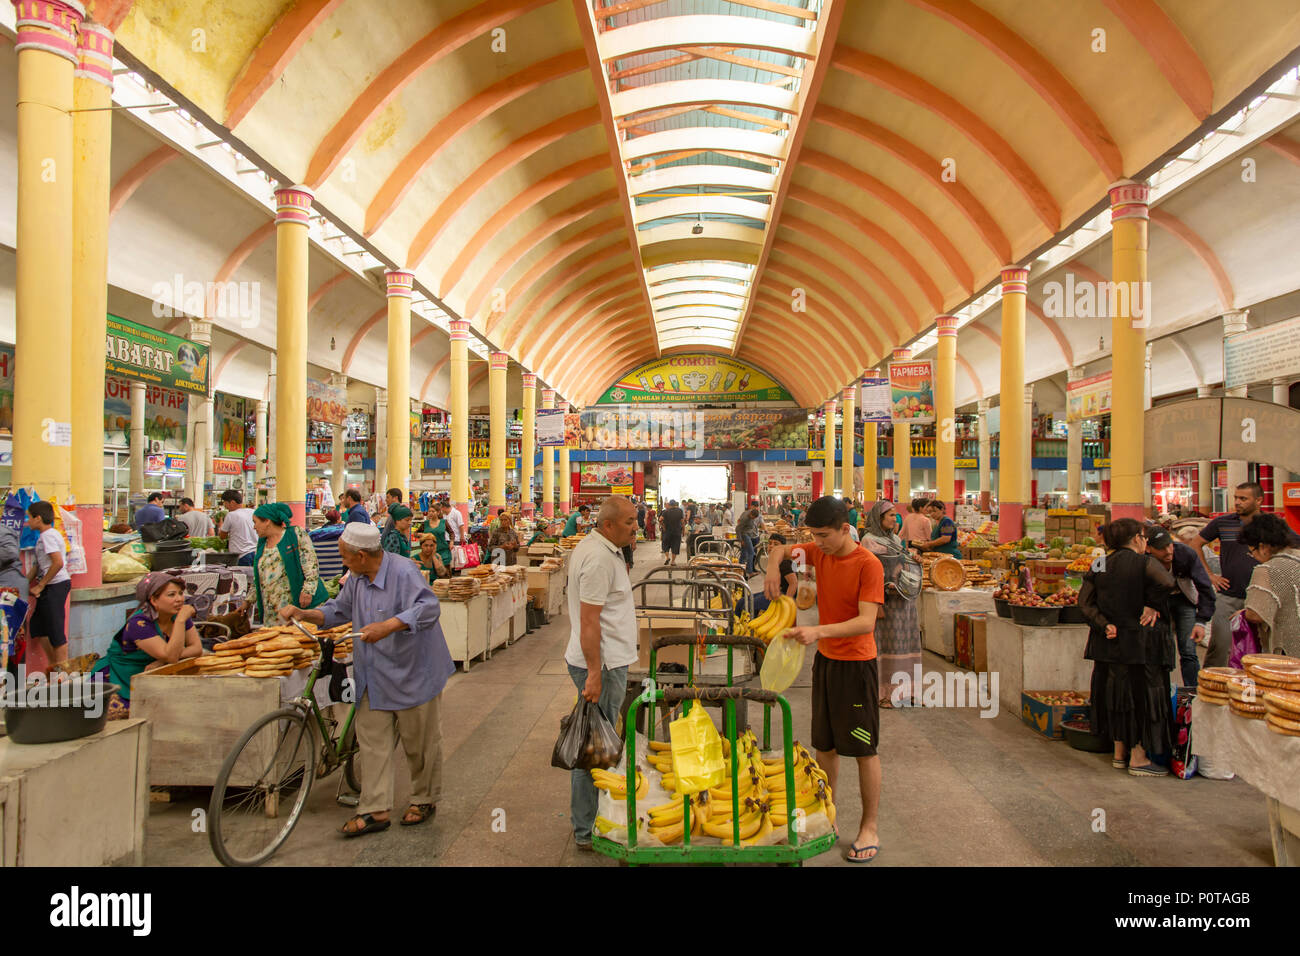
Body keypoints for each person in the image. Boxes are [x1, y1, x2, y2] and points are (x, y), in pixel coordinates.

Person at [281, 522, 455, 835]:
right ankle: (375, 809)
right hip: (372, 674)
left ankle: (423, 798)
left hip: (413, 673)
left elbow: (428, 609)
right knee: (373, 744)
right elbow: (339, 610)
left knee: (421, 744)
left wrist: (389, 626)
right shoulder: (356, 580)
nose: (342, 562)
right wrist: (307, 614)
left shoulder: (403, 572)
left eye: (345, 557)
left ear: (362, 555)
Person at [765, 496, 885, 863]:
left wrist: (818, 631)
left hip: (857, 667)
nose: (816, 543)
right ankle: (825, 814)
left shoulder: (869, 564)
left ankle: (869, 826)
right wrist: (773, 568)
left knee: (863, 751)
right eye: (813, 536)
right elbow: (780, 547)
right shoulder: (819, 553)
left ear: (845, 529)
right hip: (827, 664)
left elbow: (867, 622)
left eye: (823, 536)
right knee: (825, 747)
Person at [564, 496, 640, 850]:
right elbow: (589, 621)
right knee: (593, 748)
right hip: (602, 665)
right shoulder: (596, 558)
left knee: (600, 744)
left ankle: (595, 820)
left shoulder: (606, 550)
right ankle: (587, 830)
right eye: (629, 521)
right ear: (608, 525)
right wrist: (594, 673)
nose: (635, 526)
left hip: (608, 662)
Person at [1078, 518, 1176, 776]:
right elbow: (1167, 584)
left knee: (1115, 695)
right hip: (1139, 644)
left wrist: (1103, 624)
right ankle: (1139, 758)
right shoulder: (1145, 563)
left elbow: (1085, 602)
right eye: (1143, 537)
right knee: (1139, 697)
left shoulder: (1100, 562)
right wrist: (1152, 604)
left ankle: (1119, 753)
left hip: (1108, 642)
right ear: (1136, 538)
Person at [1191, 482, 1300, 667]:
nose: (1238, 502)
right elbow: (1195, 544)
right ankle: (1215, 682)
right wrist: (1210, 575)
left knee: (1262, 649)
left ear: (1259, 500)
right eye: (1236, 498)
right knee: (1221, 646)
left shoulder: (1272, 529)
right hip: (1231, 595)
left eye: (1243, 498)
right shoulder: (1222, 522)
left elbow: (1256, 615)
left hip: (1265, 602)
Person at [93, 573, 203, 718]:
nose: (179, 599)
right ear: (154, 600)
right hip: (117, 678)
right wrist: (181, 621)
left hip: (149, 676)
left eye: (181, 593)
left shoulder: (176, 614)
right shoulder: (139, 623)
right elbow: (171, 656)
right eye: (171, 595)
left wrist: (162, 660)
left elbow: (197, 649)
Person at [861, 501, 924, 708]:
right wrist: (876, 601)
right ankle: (885, 694)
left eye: (896, 515)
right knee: (887, 645)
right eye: (890, 515)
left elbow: (900, 564)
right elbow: (870, 573)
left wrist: (913, 560)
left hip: (903, 601)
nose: (894, 519)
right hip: (885, 602)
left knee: (904, 644)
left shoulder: (896, 539)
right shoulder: (869, 541)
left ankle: (906, 690)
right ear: (879, 519)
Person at [1144, 525, 1215, 688]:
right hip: (1158, 603)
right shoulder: (1144, 560)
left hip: (1184, 600)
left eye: (1169, 545)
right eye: (1161, 548)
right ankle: (1159, 692)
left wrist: (1201, 620)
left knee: (1189, 650)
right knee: (1159, 649)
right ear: (1149, 549)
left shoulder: (1185, 554)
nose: (1168, 551)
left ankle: (1192, 692)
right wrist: (1149, 605)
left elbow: (1204, 587)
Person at [248, 503, 328, 624]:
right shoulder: (262, 543)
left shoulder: (295, 534)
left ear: (267, 521)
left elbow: (311, 563)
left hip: (296, 605)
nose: (254, 527)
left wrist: (308, 591)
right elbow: (259, 576)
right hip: (272, 611)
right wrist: (248, 601)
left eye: (255, 522)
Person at [1242, 512, 1300, 657]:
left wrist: (1244, 613)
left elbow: (1256, 614)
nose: (1253, 557)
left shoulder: (1267, 569)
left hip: (1289, 649)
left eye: (1252, 552)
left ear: (1263, 547)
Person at [26, 501, 72, 672]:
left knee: (56, 632)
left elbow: (58, 563)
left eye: (29, 517)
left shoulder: (48, 536)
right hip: (49, 587)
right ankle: (54, 668)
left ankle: (62, 675)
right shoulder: (44, 536)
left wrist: (41, 585)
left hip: (56, 585)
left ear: (38, 518)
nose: (27, 521)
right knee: (39, 626)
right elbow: (39, 565)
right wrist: (24, 583)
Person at [218, 489, 257, 566]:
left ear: (232, 502)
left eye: (225, 503)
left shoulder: (231, 515)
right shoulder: (252, 512)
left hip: (241, 555)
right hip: (256, 552)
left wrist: (220, 525)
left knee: (242, 577)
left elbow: (222, 536)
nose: (225, 506)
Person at [418, 502, 454, 571]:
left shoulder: (444, 522)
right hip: (429, 552)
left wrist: (451, 542)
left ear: (438, 512)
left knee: (444, 572)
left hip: (443, 551)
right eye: (429, 511)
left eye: (433, 511)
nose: (430, 513)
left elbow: (451, 533)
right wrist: (420, 535)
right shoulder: (425, 523)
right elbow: (417, 533)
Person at [736, 506, 761, 575]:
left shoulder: (749, 512)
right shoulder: (745, 518)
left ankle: (740, 568)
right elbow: (737, 529)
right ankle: (749, 571)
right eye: (753, 517)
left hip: (749, 535)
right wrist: (741, 540)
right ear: (751, 514)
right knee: (751, 553)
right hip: (745, 535)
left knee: (744, 553)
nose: (753, 519)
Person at [659, 499, 684, 565]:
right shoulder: (680, 511)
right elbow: (682, 521)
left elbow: (660, 520)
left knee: (666, 545)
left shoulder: (665, 511)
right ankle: (673, 561)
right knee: (675, 546)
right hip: (677, 532)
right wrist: (683, 530)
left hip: (667, 532)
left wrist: (663, 527)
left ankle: (667, 557)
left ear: (669, 505)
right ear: (675, 504)